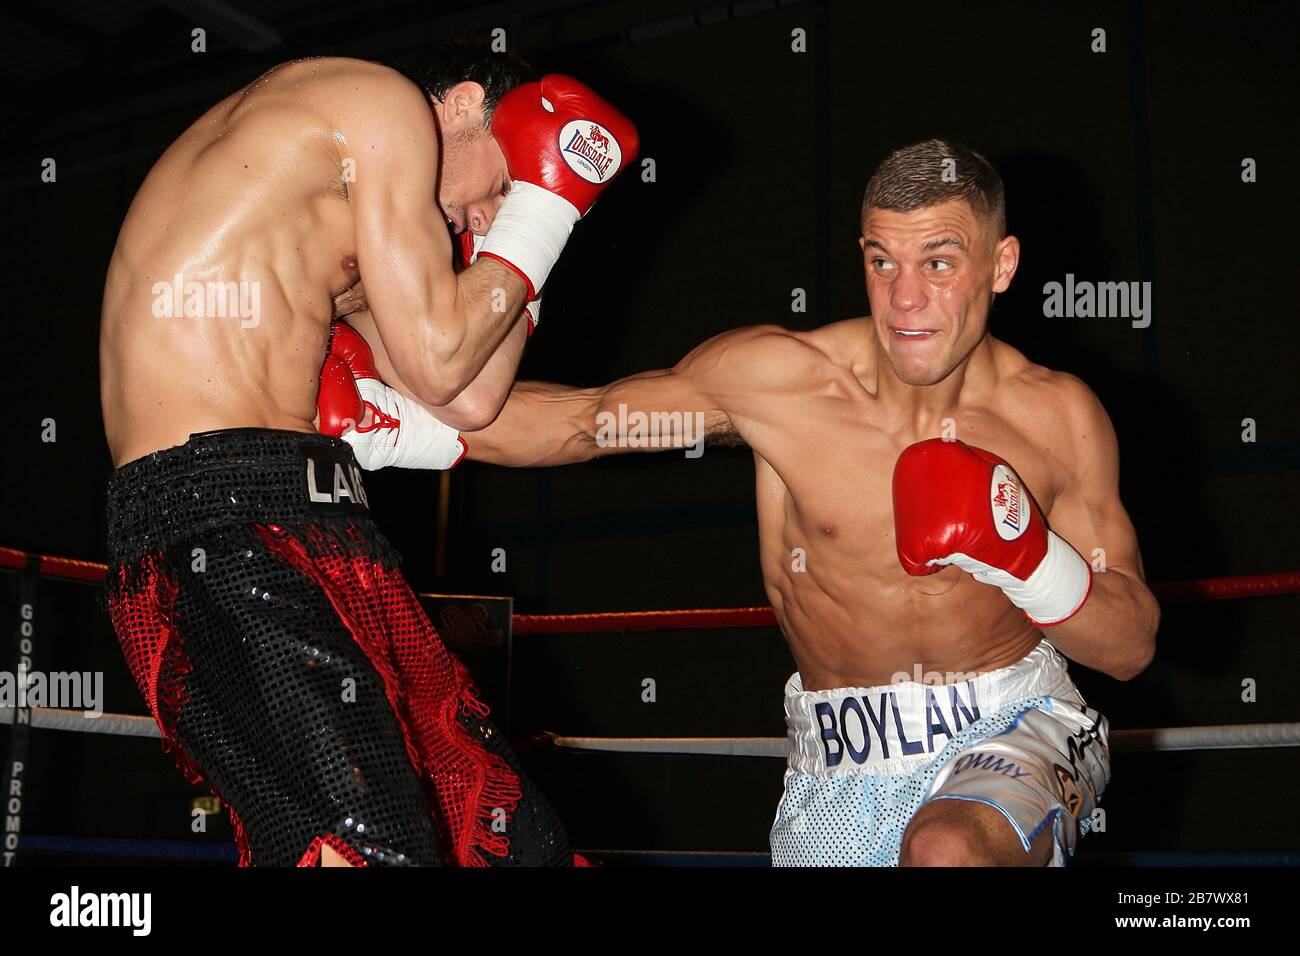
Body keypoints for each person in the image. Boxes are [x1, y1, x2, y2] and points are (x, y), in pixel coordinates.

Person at [327, 139, 1158, 866]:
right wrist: (381, 395)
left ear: (1002, 266)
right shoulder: (780, 382)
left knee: (943, 854)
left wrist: (1026, 557)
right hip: (837, 760)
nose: (905, 300)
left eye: (939, 263)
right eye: (882, 261)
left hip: (1016, 723)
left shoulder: (1057, 417)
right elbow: (581, 423)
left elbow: (1129, 646)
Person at [98, 39, 637, 867]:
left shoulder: (343, 227)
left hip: (309, 525)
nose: (487, 219)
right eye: (500, 182)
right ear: (460, 104)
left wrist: (538, 212)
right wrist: (545, 207)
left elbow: (471, 397)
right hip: (220, 520)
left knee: (503, 837)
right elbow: (439, 357)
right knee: (365, 847)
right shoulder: (375, 100)